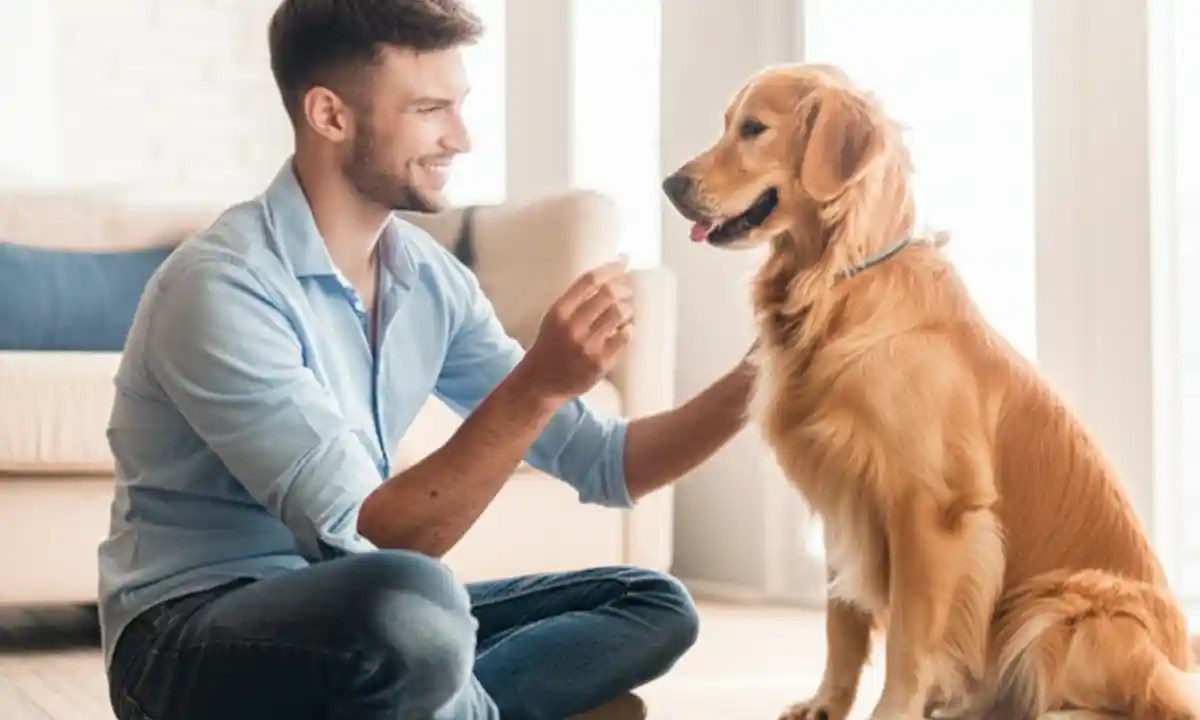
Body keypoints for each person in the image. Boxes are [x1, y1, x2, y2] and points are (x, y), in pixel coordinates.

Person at [97, 1, 757, 718]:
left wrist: (771, 370)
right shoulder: (223, 285)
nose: (462, 138)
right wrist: (538, 383)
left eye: (460, 106)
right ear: (330, 115)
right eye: (429, 109)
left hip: (361, 617)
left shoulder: (426, 279)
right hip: (184, 638)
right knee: (417, 599)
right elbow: (382, 534)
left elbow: (608, 462)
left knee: (650, 601)